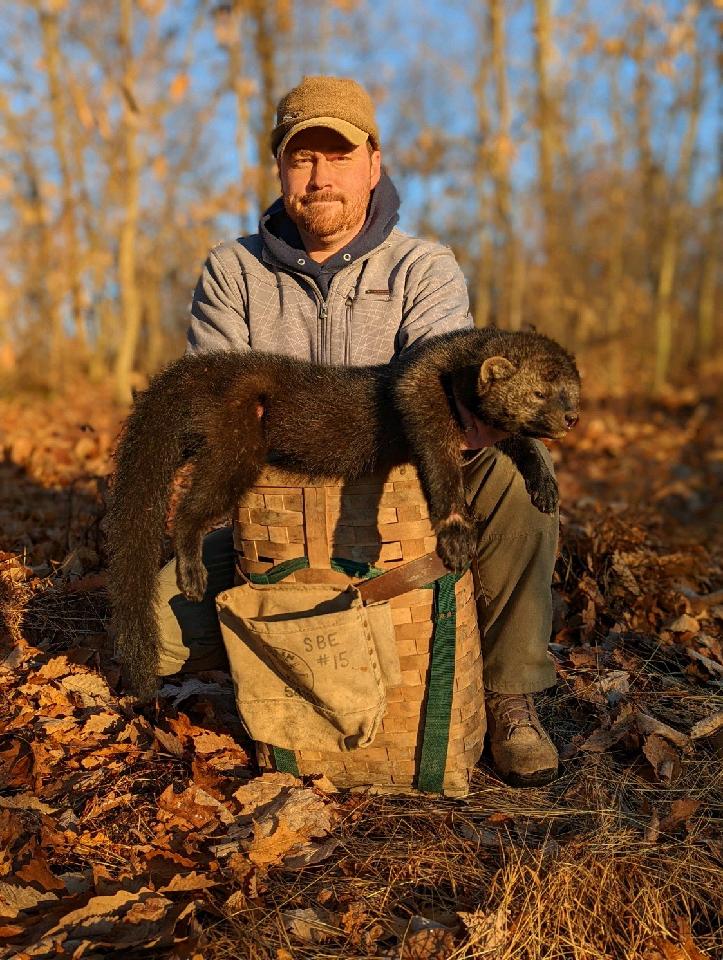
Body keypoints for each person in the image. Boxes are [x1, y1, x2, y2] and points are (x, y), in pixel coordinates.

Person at [154, 76, 560, 787]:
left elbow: (450, 407)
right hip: (277, 507)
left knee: (510, 487)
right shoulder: (233, 270)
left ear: (372, 163)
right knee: (155, 635)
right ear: (280, 169)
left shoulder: (422, 267)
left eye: (337, 156)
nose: (319, 177)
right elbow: (212, 406)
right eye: (301, 158)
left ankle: (508, 689)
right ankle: (271, 648)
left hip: (402, 494)